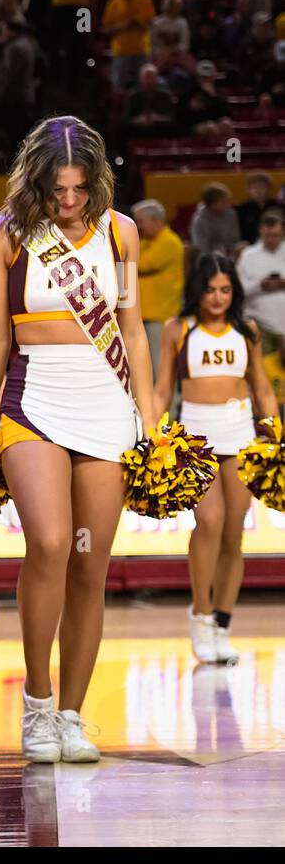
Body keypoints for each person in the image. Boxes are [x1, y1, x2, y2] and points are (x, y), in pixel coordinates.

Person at [0, 115, 158, 764]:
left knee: (90, 562)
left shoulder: (122, 233)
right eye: (59, 189)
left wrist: (152, 417)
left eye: (81, 187)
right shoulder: (5, 237)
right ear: (37, 182)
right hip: (32, 406)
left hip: (107, 407)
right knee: (50, 541)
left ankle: (75, 715)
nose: (71, 200)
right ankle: (38, 701)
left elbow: (132, 330)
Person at [154, 255, 279, 665]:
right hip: (196, 436)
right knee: (208, 521)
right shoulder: (179, 329)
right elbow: (162, 390)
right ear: (198, 289)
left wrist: (275, 434)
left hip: (240, 434)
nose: (218, 298)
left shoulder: (247, 330)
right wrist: (151, 432)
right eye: (210, 289)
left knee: (232, 533)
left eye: (225, 290)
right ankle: (200, 614)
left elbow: (260, 386)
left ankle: (222, 624)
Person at [134, 199, 184, 374]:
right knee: (144, 369)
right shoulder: (146, 241)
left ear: (155, 220)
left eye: (140, 221)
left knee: (161, 368)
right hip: (144, 315)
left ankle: (167, 402)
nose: (137, 226)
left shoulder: (169, 242)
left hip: (160, 318)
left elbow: (141, 264)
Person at [236, 207, 285, 341]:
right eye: (267, 236)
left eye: (276, 236)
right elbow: (237, 291)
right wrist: (260, 286)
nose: (271, 240)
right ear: (261, 231)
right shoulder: (247, 255)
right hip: (258, 323)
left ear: (283, 232)